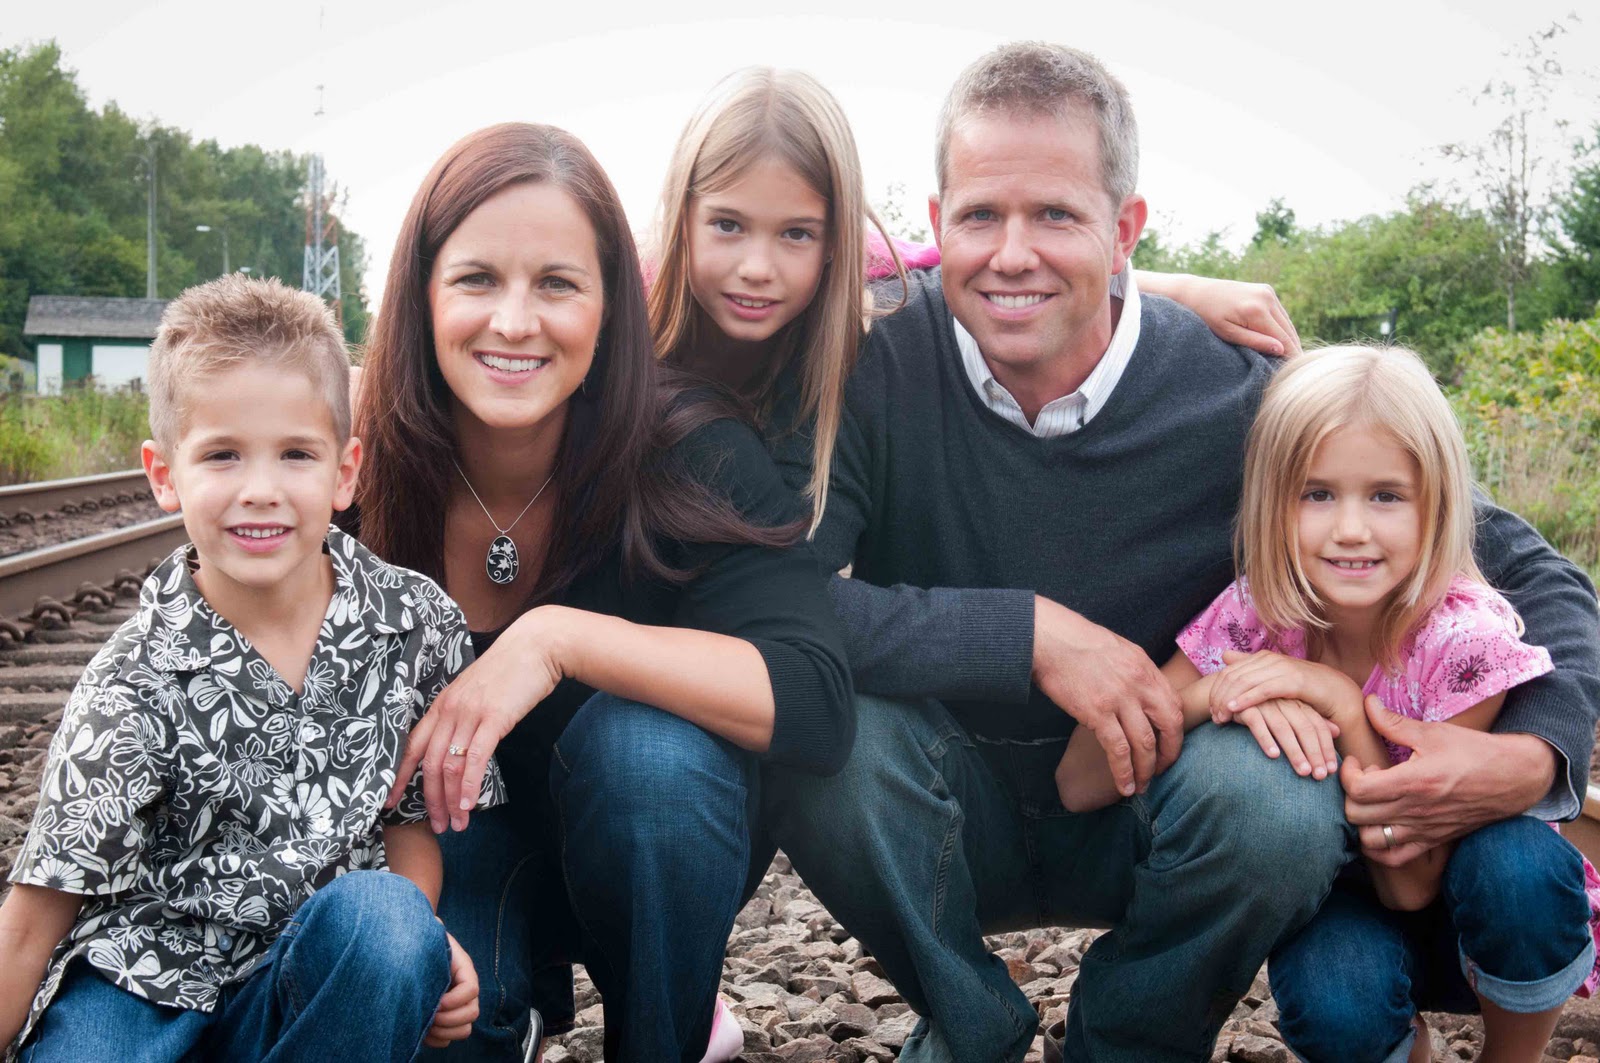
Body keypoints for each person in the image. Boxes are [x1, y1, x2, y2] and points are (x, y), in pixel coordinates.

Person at [764, 41, 1600, 1063]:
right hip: (941, 803)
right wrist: (1026, 634)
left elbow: (1528, 569)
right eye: (981, 215)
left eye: (1057, 216)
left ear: (1124, 230)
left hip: (1154, 805)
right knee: (803, 715)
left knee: (1278, 801)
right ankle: (967, 1015)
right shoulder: (874, 366)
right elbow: (781, 599)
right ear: (938, 226)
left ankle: (1130, 1039)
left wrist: (1534, 753)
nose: (1012, 252)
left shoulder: (1240, 398)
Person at [352, 123, 852, 1063]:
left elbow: (815, 699)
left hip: (645, 844)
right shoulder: (353, 470)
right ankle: (514, 1006)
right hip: (444, 850)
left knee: (652, 755)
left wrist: (555, 640)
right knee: (448, 1026)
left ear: (611, 305)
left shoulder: (689, 452)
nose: (513, 321)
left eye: (556, 283)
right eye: (475, 280)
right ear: (420, 297)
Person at [0, 274, 499, 1062]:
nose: (260, 490)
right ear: (165, 474)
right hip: (145, 984)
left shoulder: (412, 625)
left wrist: (424, 942)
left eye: (296, 454)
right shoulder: (133, 679)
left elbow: (408, 827)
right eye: (223, 455)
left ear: (345, 471)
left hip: (306, 984)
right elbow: (37, 911)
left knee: (391, 925)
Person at [1057, 343, 1600, 1061]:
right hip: (1348, 899)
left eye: (1385, 495)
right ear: (1272, 503)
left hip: (1469, 897)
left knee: (1519, 867)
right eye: (1318, 493)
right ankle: (1407, 1044)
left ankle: (1514, 1051)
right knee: (1332, 1001)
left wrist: (1341, 704)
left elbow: (1411, 883)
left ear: (1435, 503)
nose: (1351, 528)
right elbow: (1080, 779)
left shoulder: (1464, 639)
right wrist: (1212, 690)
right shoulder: (1254, 615)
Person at [647, 66, 1302, 531]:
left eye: (796, 233)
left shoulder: (875, 271)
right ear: (683, 219)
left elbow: (956, 266)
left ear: (833, 241)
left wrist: (1167, 287)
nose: (757, 267)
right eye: (728, 225)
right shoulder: (629, 309)